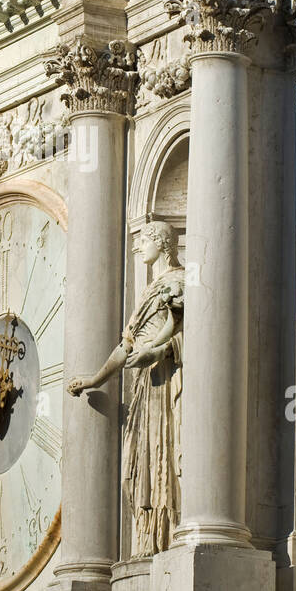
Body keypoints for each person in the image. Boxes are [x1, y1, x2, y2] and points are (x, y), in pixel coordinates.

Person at [68, 221, 183, 556]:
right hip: (146, 384)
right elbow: (126, 347)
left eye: (143, 240)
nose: (137, 247)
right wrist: (94, 379)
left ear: (162, 243)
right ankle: (148, 533)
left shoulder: (178, 281)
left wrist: (158, 350)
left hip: (166, 379)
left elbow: (187, 331)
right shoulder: (150, 291)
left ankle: (166, 531)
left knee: (161, 452)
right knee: (139, 458)